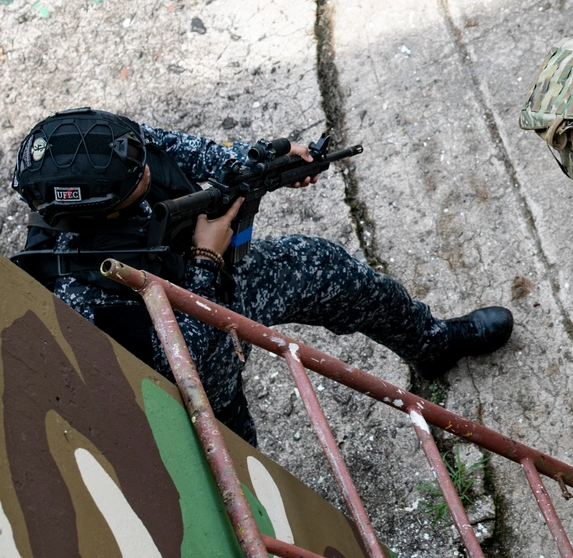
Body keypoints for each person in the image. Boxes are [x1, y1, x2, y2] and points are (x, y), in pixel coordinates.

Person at [9, 107, 513, 445]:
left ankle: (432, 343)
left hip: (217, 275)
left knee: (331, 270)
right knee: (233, 450)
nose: (145, 166)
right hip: (198, 353)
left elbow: (174, 148)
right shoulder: (77, 297)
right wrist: (205, 260)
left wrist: (257, 163)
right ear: (99, 212)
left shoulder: (111, 146)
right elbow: (183, 366)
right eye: (135, 179)